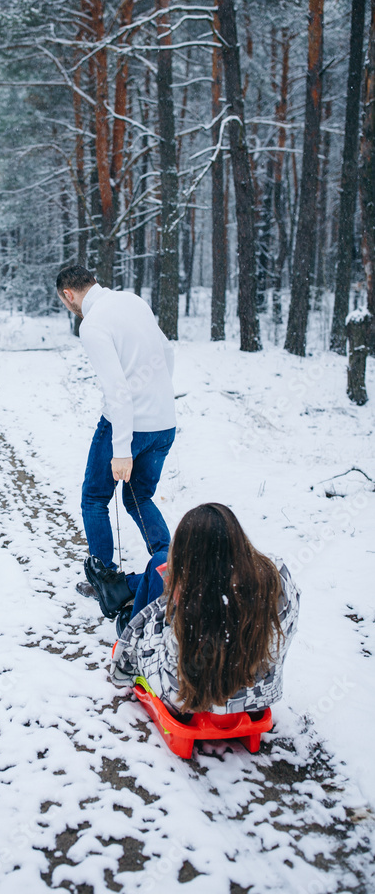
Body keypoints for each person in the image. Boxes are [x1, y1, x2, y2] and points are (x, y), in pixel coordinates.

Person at [56, 264, 176, 624]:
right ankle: (172, 569)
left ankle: (105, 579)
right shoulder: (132, 301)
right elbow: (167, 351)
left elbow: (118, 392)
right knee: (139, 497)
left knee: (95, 498)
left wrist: (121, 449)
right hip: (164, 423)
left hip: (127, 427)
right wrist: (156, 394)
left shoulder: (91, 325)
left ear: (68, 295)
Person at [110, 503, 301, 715]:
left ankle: (126, 615)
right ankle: (124, 592)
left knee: (158, 564)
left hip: (189, 701)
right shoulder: (277, 576)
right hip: (261, 695)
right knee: (160, 566)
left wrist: (168, 607)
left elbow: (166, 667)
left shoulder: (193, 604)